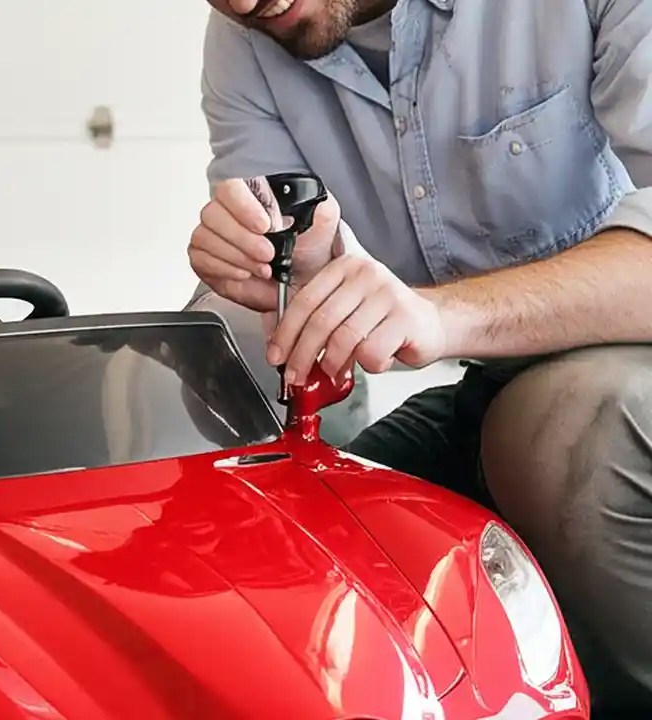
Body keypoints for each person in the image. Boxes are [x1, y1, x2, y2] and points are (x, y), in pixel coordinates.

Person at [187, 0, 652, 712]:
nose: (244, 2)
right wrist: (296, 270)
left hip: (622, 383)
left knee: (558, 431)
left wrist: (444, 315)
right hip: (493, 391)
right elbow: (282, 292)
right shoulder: (243, 44)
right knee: (310, 532)